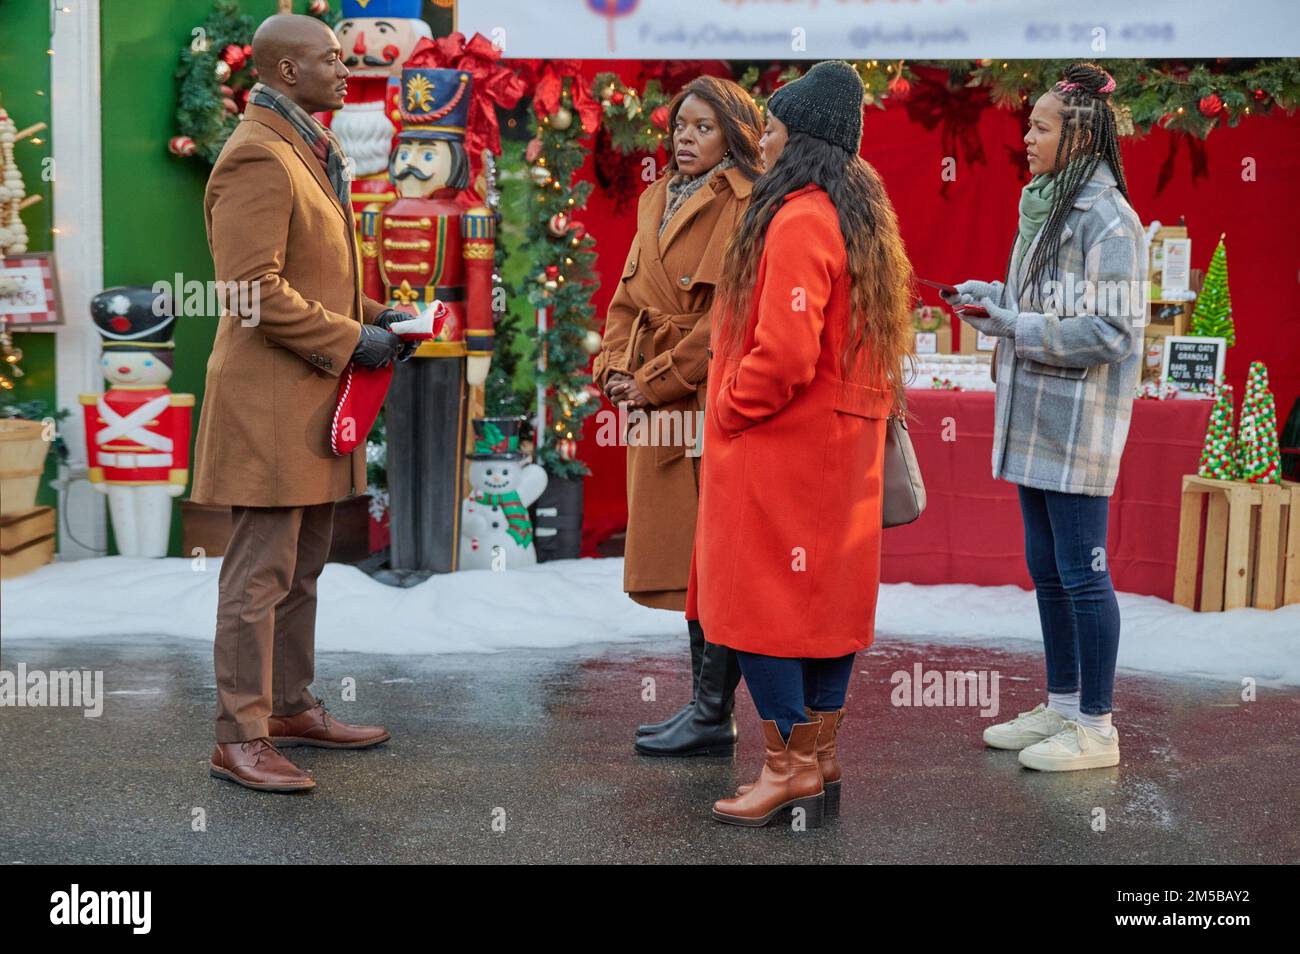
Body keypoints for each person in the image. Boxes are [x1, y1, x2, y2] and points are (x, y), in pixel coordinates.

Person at [687, 61, 915, 827]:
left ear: (801, 141)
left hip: (780, 449)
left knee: (758, 608)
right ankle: (817, 754)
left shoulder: (797, 218)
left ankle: (784, 767)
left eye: (774, 130)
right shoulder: (858, 216)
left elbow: (784, 354)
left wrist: (727, 410)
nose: (762, 142)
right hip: (839, 453)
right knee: (826, 608)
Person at [192, 14, 412, 793]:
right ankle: (239, 735)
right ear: (287, 72)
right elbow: (253, 294)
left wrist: (376, 318)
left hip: (310, 402)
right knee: (258, 576)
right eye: (331, 58)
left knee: (304, 568)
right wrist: (353, 339)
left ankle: (287, 708)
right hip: (271, 406)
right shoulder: (256, 152)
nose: (347, 69)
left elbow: (307, 274)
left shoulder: (300, 146)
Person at [945, 63, 1144, 772]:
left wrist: (1017, 326)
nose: (1026, 137)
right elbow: (1043, 301)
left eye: (1040, 126)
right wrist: (991, 298)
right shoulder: (1044, 205)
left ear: (1081, 135)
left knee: (1083, 571)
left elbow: (1116, 332)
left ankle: (1097, 727)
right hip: (1033, 418)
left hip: (1079, 423)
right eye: (1028, 124)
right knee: (1048, 567)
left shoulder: (1109, 219)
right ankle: (1062, 707)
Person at [593, 76, 762, 757]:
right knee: (684, 556)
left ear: (734, 135)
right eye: (679, 126)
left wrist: (654, 382)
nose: (684, 138)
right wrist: (612, 369)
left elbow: (726, 320)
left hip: (705, 397)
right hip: (654, 399)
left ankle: (714, 710)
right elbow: (630, 297)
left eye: (703, 127)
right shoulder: (656, 197)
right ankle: (704, 707)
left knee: (713, 554)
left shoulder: (749, 203)